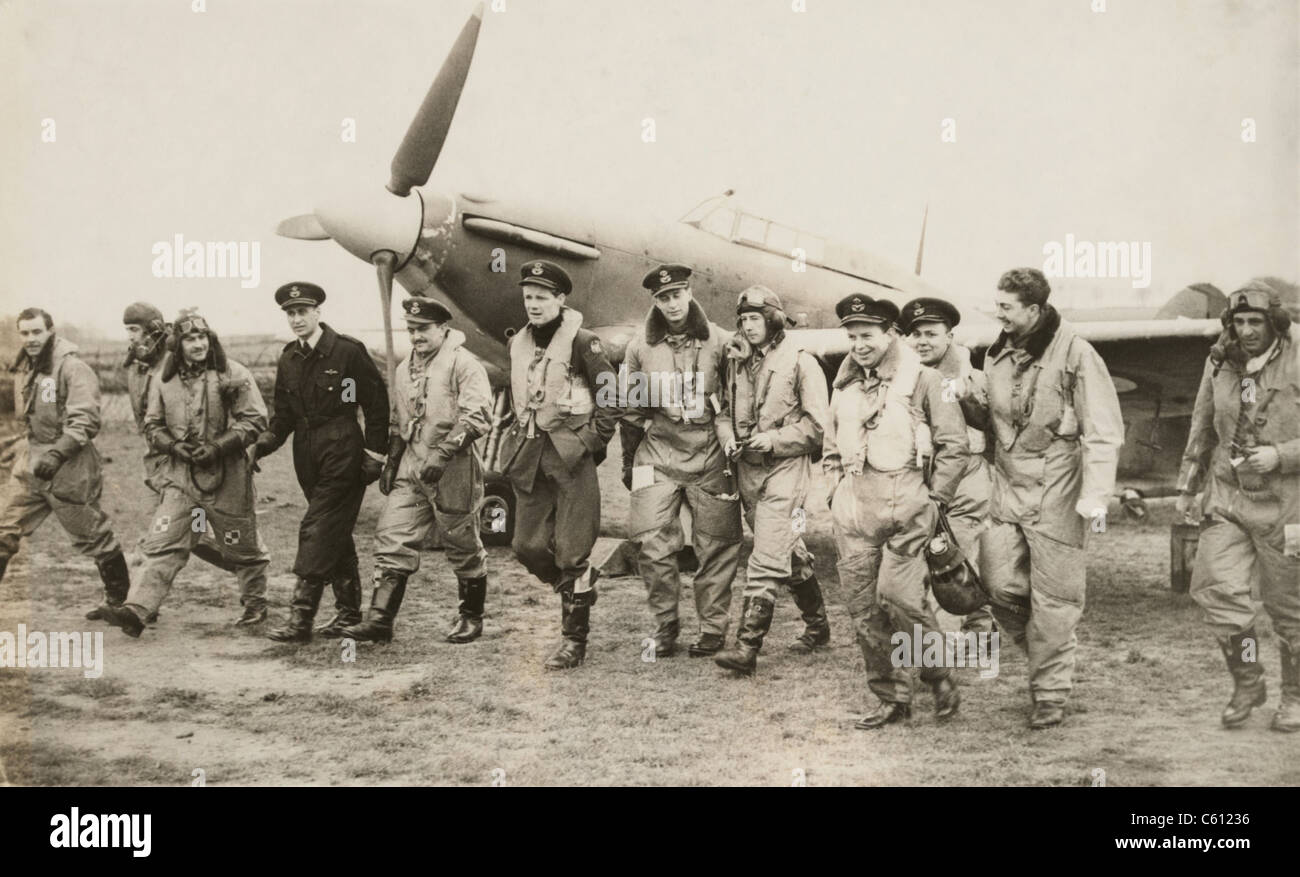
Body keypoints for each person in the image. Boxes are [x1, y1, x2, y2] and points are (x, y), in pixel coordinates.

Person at [964, 268, 1123, 729]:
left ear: (1034, 310)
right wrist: (962, 400)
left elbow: (1103, 431)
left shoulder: (1077, 353)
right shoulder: (996, 354)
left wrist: (1095, 498)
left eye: (1007, 307)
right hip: (1008, 488)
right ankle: (1045, 656)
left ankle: (1049, 694)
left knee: (1055, 600)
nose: (999, 315)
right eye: (998, 306)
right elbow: (997, 423)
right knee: (995, 587)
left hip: (1059, 491)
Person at [823, 294, 969, 728]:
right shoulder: (844, 384)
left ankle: (938, 675)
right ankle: (890, 697)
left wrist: (935, 499)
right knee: (863, 607)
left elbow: (954, 446)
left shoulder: (923, 379)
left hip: (907, 500)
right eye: (852, 337)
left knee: (899, 596)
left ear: (890, 334)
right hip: (855, 506)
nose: (858, 344)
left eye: (867, 335)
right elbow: (831, 442)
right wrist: (835, 489)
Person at [1176, 281, 1299, 732]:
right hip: (1229, 495)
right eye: (1239, 321)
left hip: (1288, 503)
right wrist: (1188, 487)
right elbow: (1202, 424)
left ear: (1275, 323)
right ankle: (1248, 678)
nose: (1247, 331)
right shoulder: (1221, 360)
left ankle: (1294, 697)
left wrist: (1282, 455)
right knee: (1217, 588)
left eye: (1256, 322)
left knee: (1289, 607)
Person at [102, 310, 270, 637]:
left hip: (229, 478)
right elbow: (152, 424)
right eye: (189, 339)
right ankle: (137, 610)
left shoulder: (233, 373)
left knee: (241, 545)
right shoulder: (165, 380)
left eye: (202, 337)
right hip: (181, 478)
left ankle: (255, 604)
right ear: (177, 344)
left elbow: (255, 420)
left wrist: (219, 446)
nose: (197, 345)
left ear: (211, 339)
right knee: (164, 540)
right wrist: (173, 446)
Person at [342, 295, 494, 644]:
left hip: (453, 467)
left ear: (443, 328)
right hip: (411, 466)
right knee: (392, 535)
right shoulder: (402, 367)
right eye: (411, 329)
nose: (416, 336)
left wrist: (442, 455)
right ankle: (380, 620)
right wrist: (391, 460)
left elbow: (478, 415)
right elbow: (400, 420)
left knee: (461, 541)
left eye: (423, 329)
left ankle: (471, 616)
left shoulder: (463, 364)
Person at [499, 260, 618, 669]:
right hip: (529, 456)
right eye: (528, 297)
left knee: (571, 552)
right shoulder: (518, 342)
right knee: (525, 547)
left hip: (570, 457)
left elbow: (610, 398)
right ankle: (578, 588)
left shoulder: (585, 342)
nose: (533, 305)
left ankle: (573, 641)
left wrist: (589, 442)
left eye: (542, 297)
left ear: (560, 300)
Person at [255, 282, 389, 643]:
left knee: (316, 528)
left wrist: (375, 455)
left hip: (342, 447)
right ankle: (348, 614)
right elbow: (283, 416)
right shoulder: (289, 358)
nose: (297, 319)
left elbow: (376, 405)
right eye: (290, 313)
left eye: (303, 311)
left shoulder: (346, 352)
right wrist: (262, 445)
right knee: (334, 530)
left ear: (318, 313)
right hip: (306, 453)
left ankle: (300, 620)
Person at [620, 263, 740, 658]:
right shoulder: (639, 347)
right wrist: (627, 463)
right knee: (649, 541)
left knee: (716, 545)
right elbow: (630, 411)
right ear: (654, 301)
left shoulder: (721, 342)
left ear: (689, 293)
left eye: (677, 295)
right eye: (662, 298)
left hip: (708, 453)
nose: (671, 304)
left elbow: (738, 402)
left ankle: (712, 628)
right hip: (655, 453)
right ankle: (665, 626)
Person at [712, 285, 829, 675]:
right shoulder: (736, 363)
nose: (748, 327)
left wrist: (775, 439)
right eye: (743, 320)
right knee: (784, 548)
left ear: (773, 320)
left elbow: (817, 427)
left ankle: (747, 648)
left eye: (755, 319)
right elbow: (723, 411)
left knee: (764, 555)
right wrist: (728, 438)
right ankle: (818, 625)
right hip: (748, 470)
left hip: (787, 468)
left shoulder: (802, 363)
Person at [0, 308, 129, 616]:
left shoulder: (72, 367)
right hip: (31, 464)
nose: (30, 339)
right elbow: (29, 418)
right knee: (4, 528)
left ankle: (121, 603)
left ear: (51, 331)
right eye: (25, 333)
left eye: (36, 332)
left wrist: (58, 453)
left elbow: (85, 418)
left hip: (70, 465)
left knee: (92, 535)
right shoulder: (24, 368)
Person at [899, 297, 994, 635]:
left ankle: (941, 656)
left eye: (931, 334)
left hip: (966, 481)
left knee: (947, 563)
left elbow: (987, 425)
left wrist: (966, 391)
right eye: (915, 335)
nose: (922, 341)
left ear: (949, 336)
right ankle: (982, 628)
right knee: (952, 561)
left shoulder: (973, 378)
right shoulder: (907, 380)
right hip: (927, 481)